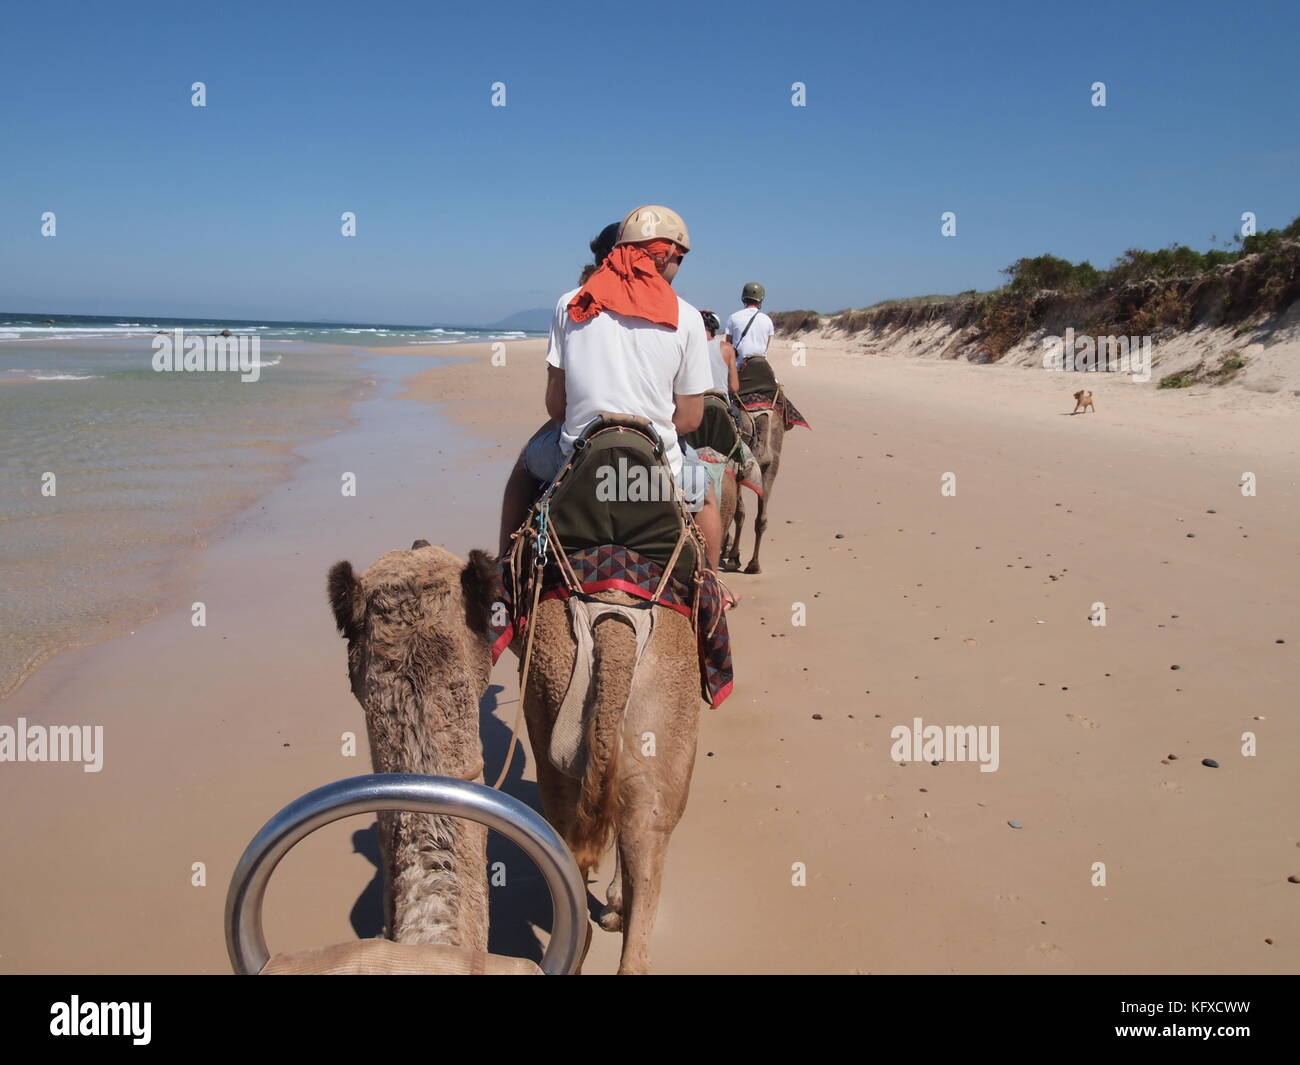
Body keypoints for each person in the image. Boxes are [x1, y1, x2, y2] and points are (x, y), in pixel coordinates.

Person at [497, 205, 732, 602]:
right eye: (680, 258)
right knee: (706, 495)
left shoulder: (570, 303)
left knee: (524, 469)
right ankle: (711, 584)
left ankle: (503, 570)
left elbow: (556, 407)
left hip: (577, 464)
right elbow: (691, 419)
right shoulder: (689, 317)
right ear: (666, 255)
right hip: (655, 475)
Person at [725, 282, 774, 369]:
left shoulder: (733, 318)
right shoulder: (767, 320)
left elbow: (728, 346)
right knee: (775, 382)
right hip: (762, 368)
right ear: (761, 299)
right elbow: (766, 346)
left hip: (739, 368)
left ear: (743, 298)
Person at [700, 310, 739, 395]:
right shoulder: (727, 348)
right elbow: (734, 387)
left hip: (695, 401)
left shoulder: (688, 347)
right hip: (720, 400)